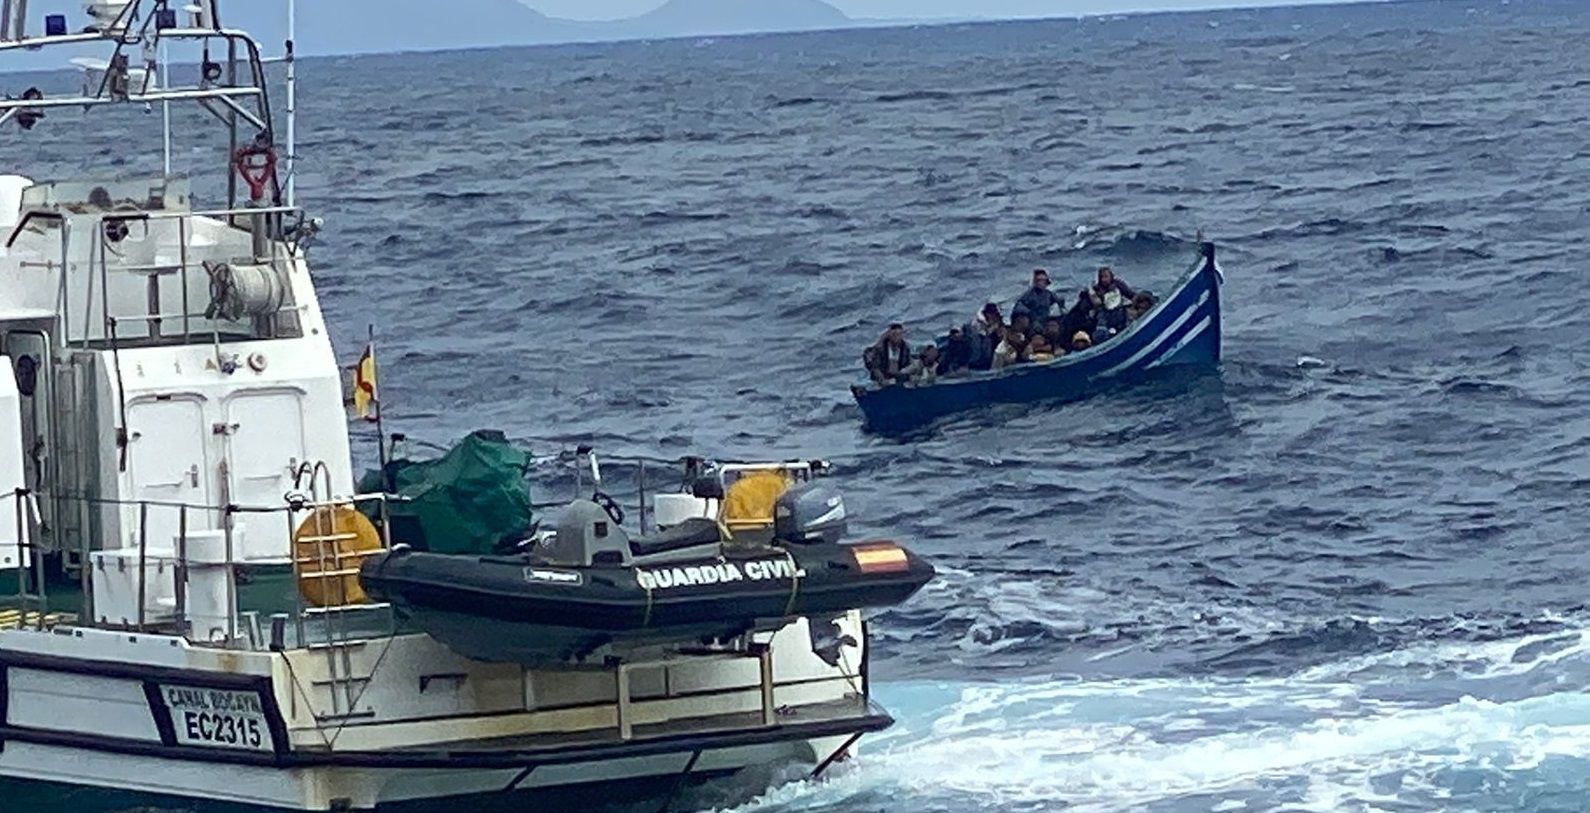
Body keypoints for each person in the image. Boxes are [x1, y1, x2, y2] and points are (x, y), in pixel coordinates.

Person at [966, 302, 1003, 371]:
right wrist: (992, 329)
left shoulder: (997, 323)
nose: (995, 318)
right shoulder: (976, 324)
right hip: (976, 360)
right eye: (993, 315)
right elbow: (982, 334)